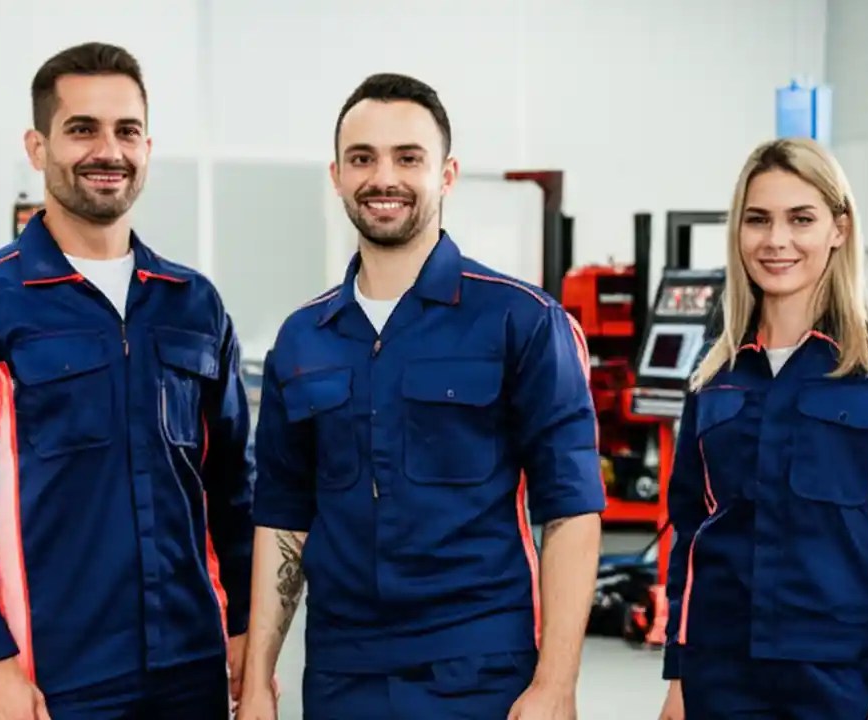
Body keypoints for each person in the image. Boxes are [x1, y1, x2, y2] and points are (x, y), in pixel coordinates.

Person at [0, 42, 255, 719]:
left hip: (192, 664)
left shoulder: (193, 305)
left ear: (147, 147)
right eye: (82, 129)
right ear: (38, 147)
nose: (108, 150)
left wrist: (244, 624)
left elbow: (232, 485)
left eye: (127, 131)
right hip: (53, 674)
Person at [236, 72, 605, 720]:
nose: (384, 178)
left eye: (408, 158)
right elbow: (284, 517)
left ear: (447, 174)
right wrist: (258, 680)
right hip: (343, 673)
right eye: (362, 159)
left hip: (480, 669)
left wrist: (556, 683)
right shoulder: (303, 339)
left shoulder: (521, 321)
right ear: (336, 176)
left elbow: (570, 509)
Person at [656, 138, 868, 720]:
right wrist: (679, 671)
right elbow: (690, 532)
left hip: (841, 675)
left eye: (801, 219)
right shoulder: (714, 375)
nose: (776, 240)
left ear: (839, 228)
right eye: (758, 220)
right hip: (720, 671)